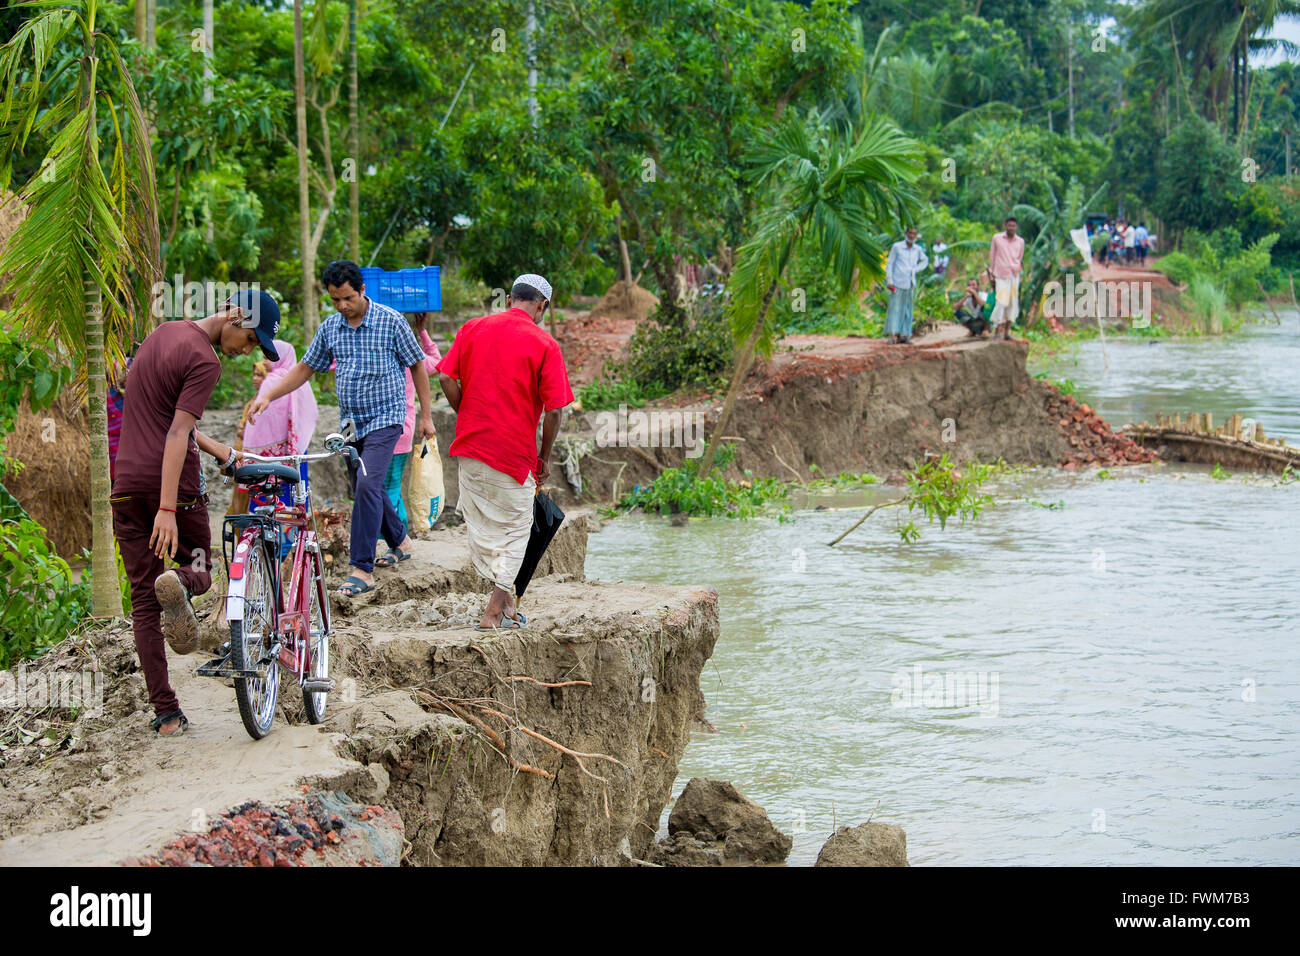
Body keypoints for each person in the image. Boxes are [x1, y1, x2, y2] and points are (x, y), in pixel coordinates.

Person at [111, 290, 281, 736]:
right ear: (236, 315)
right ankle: (181, 581)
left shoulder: (160, 336)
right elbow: (176, 434)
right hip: (174, 491)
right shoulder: (206, 362)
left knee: (143, 601)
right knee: (202, 567)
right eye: (250, 340)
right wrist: (168, 508)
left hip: (126, 486)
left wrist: (220, 450)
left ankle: (166, 714)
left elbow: (168, 421)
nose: (247, 351)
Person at [248, 260, 435, 597]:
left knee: (367, 485)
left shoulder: (391, 321)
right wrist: (269, 395)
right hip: (350, 426)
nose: (343, 306)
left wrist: (426, 416)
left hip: (386, 420)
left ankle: (361, 568)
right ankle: (400, 540)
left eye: (348, 298)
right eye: (335, 300)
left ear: (362, 290)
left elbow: (418, 365)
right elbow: (305, 368)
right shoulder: (331, 327)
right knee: (365, 487)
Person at [436, 273, 574, 631]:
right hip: (513, 455)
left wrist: (464, 412)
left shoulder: (472, 328)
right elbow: (555, 410)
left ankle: (508, 605)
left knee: (486, 528)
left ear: (511, 298)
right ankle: (493, 613)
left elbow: (446, 377)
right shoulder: (545, 344)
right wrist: (543, 457)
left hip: (470, 448)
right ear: (542, 305)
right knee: (516, 530)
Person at [384, 313, 442, 526]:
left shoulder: (382, 351)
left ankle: (394, 537)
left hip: (393, 430)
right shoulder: (411, 355)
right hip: (401, 429)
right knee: (389, 487)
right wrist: (422, 331)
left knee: (385, 488)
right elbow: (437, 364)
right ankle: (395, 536)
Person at [883, 227, 929, 344]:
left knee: (907, 310)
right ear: (906, 233)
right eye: (910, 233)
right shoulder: (897, 247)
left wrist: (915, 270)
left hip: (910, 283)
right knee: (895, 308)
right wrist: (889, 280)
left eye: (914, 233)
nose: (912, 236)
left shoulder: (917, 249)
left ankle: (904, 335)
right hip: (897, 282)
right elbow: (890, 264)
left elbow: (925, 261)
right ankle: (893, 335)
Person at [988, 216, 1024, 340]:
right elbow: (992, 256)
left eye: (1013, 226)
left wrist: (1017, 269)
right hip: (1001, 275)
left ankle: (1007, 333)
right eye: (1009, 225)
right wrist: (991, 274)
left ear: (1016, 227)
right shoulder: (997, 238)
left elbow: (1020, 258)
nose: (1011, 228)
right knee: (1001, 302)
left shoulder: (1020, 241)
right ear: (1005, 226)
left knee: (1013, 304)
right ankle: (997, 330)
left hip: (1014, 275)